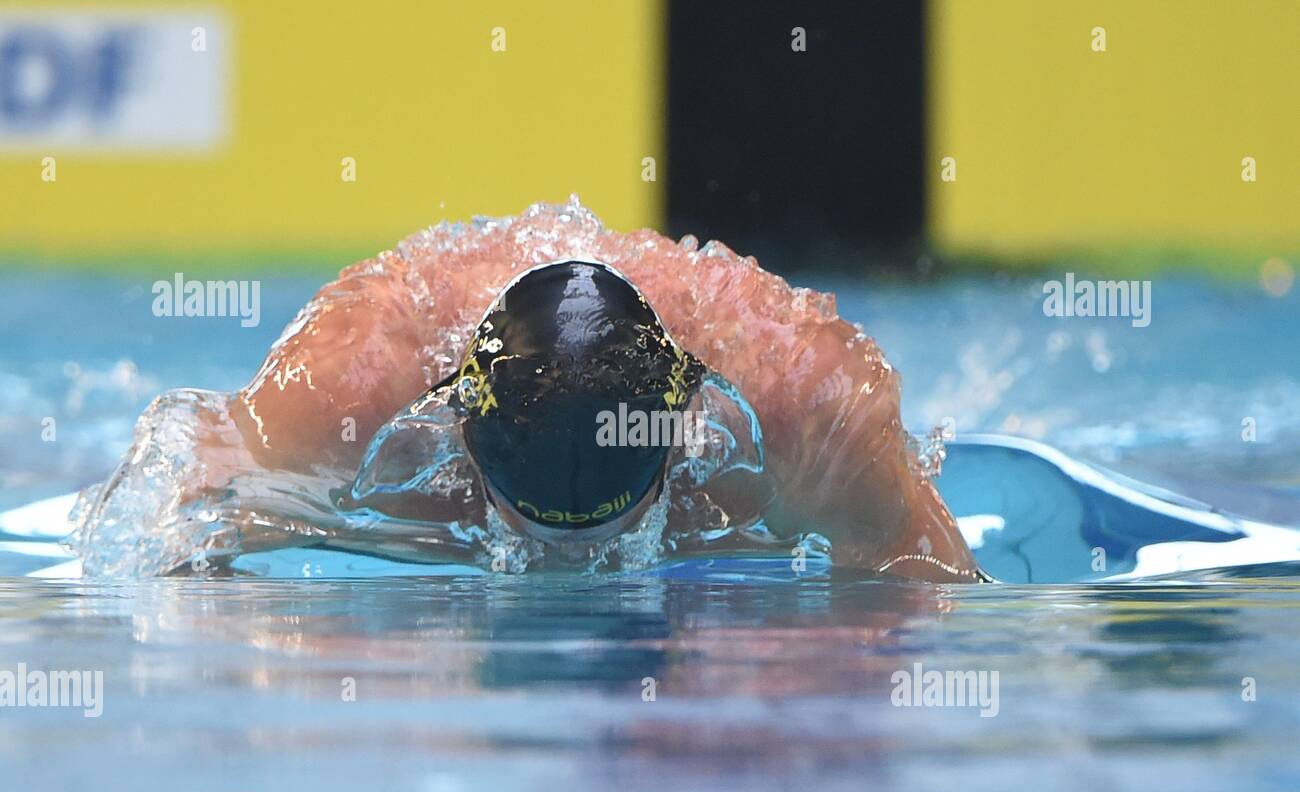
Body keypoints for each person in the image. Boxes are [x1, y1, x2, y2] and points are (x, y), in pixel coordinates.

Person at [75, 199, 982, 582]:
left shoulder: (813, 410)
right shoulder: (353, 376)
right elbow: (171, 514)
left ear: (684, 428)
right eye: (530, 524)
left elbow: (938, 596)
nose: (569, 564)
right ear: (453, 427)